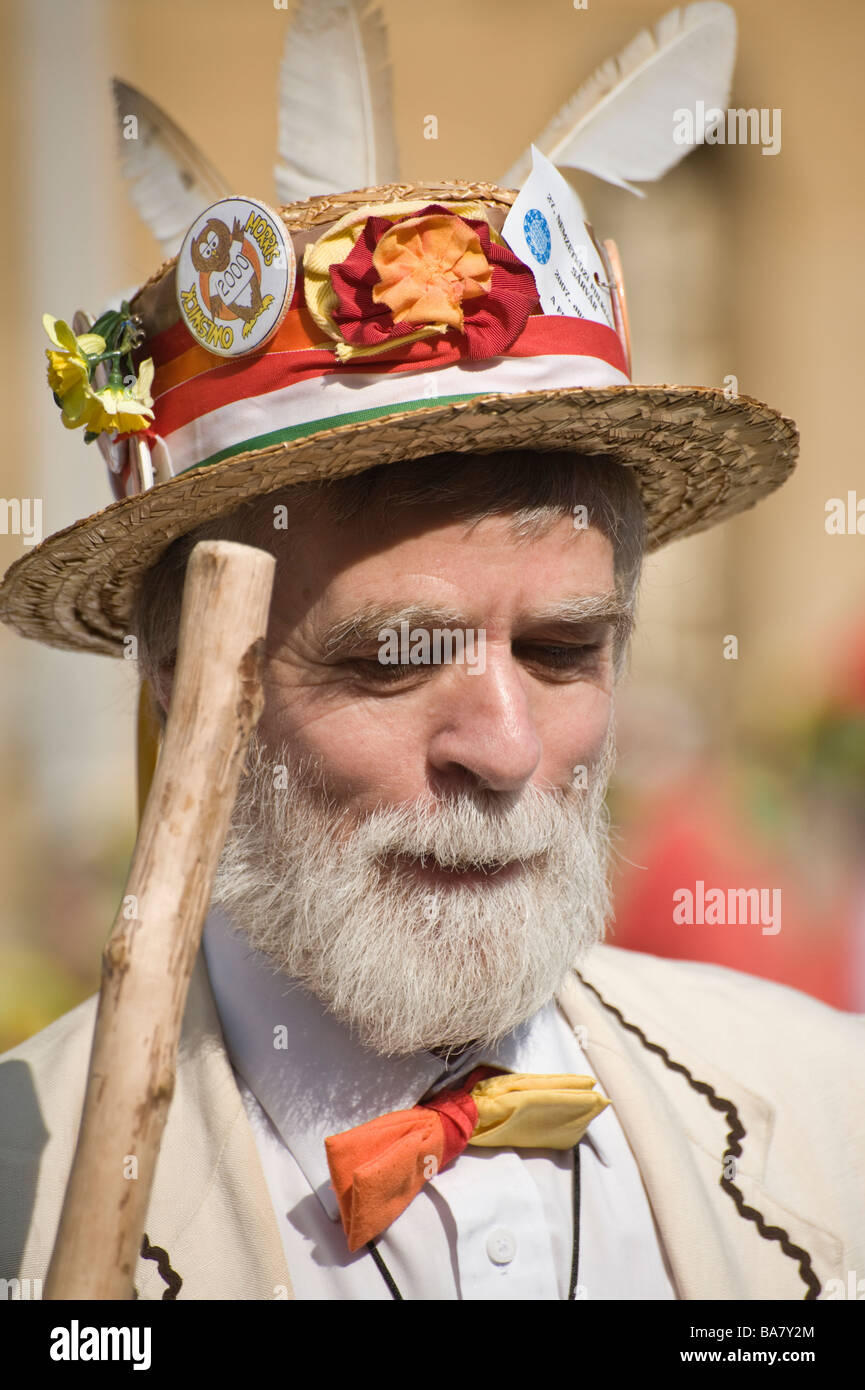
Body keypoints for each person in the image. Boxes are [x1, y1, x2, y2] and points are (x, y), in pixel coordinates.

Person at [0, 182, 862, 1302]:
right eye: (391, 661)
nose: (501, 751)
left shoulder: (831, 1109)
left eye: (560, 649)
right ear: (184, 691)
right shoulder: (31, 1190)